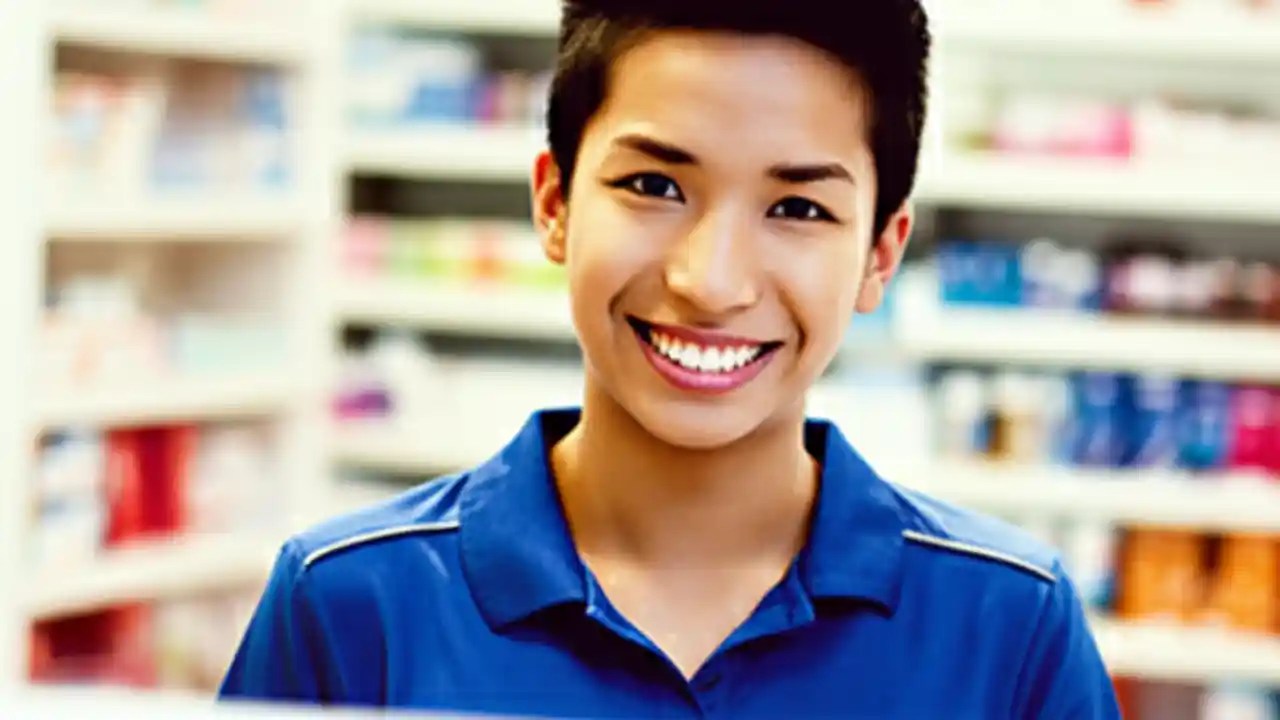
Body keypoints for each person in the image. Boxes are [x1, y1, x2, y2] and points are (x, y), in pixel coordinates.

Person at [220, 1, 1122, 717]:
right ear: (554, 204)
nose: (710, 281)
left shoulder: (1010, 626)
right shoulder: (349, 604)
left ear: (880, 253)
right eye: (654, 186)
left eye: (799, 209)